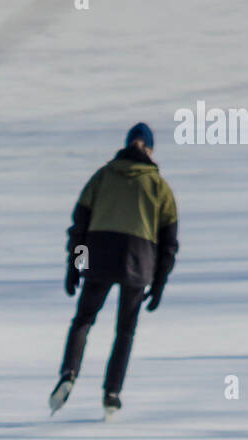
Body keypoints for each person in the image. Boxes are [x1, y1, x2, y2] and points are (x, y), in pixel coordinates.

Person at [49, 122, 178, 417]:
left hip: (99, 256)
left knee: (83, 320)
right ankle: (112, 393)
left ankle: (68, 374)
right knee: (125, 330)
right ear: (150, 149)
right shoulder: (160, 187)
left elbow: (79, 227)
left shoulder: (102, 176)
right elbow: (169, 243)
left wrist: (76, 267)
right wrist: (158, 284)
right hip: (139, 261)